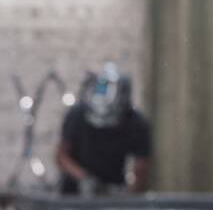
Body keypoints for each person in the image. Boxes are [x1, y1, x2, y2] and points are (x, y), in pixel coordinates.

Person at [56, 63, 151, 196]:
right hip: (73, 191)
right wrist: (83, 178)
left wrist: (129, 195)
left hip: (114, 188)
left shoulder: (137, 124)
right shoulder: (77, 115)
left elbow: (141, 168)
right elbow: (61, 156)